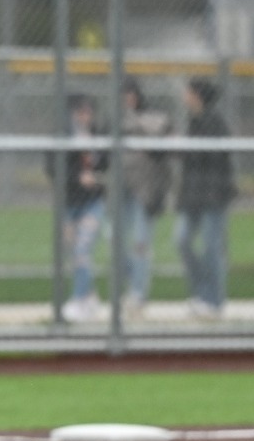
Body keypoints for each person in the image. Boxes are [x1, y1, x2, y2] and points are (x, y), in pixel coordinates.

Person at [175, 77, 236, 320]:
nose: (184, 96)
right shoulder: (193, 121)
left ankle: (213, 301)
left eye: (188, 91)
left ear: (197, 95)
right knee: (182, 240)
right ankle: (202, 292)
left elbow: (215, 159)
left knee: (212, 248)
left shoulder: (214, 122)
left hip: (212, 194)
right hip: (192, 194)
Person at [117, 80, 173, 318]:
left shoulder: (153, 118)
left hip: (145, 190)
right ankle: (132, 284)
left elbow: (163, 147)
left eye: (130, 95)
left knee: (140, 243)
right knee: (116, 243)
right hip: (123, 190)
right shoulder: (115, 121)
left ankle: (138, 294)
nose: (127, 100)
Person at [54, 94, 109, 322]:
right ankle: (90, 296)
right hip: (69, 201)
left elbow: (106, 163)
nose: (86, 116)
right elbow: (53, 168)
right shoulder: (63, 135)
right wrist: (78, 176)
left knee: (82, 249)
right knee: (74, 252)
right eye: (82, 112)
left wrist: (94, 157)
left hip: (93, 201)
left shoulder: (97, 134)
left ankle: (79, 300)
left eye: (89, 112)